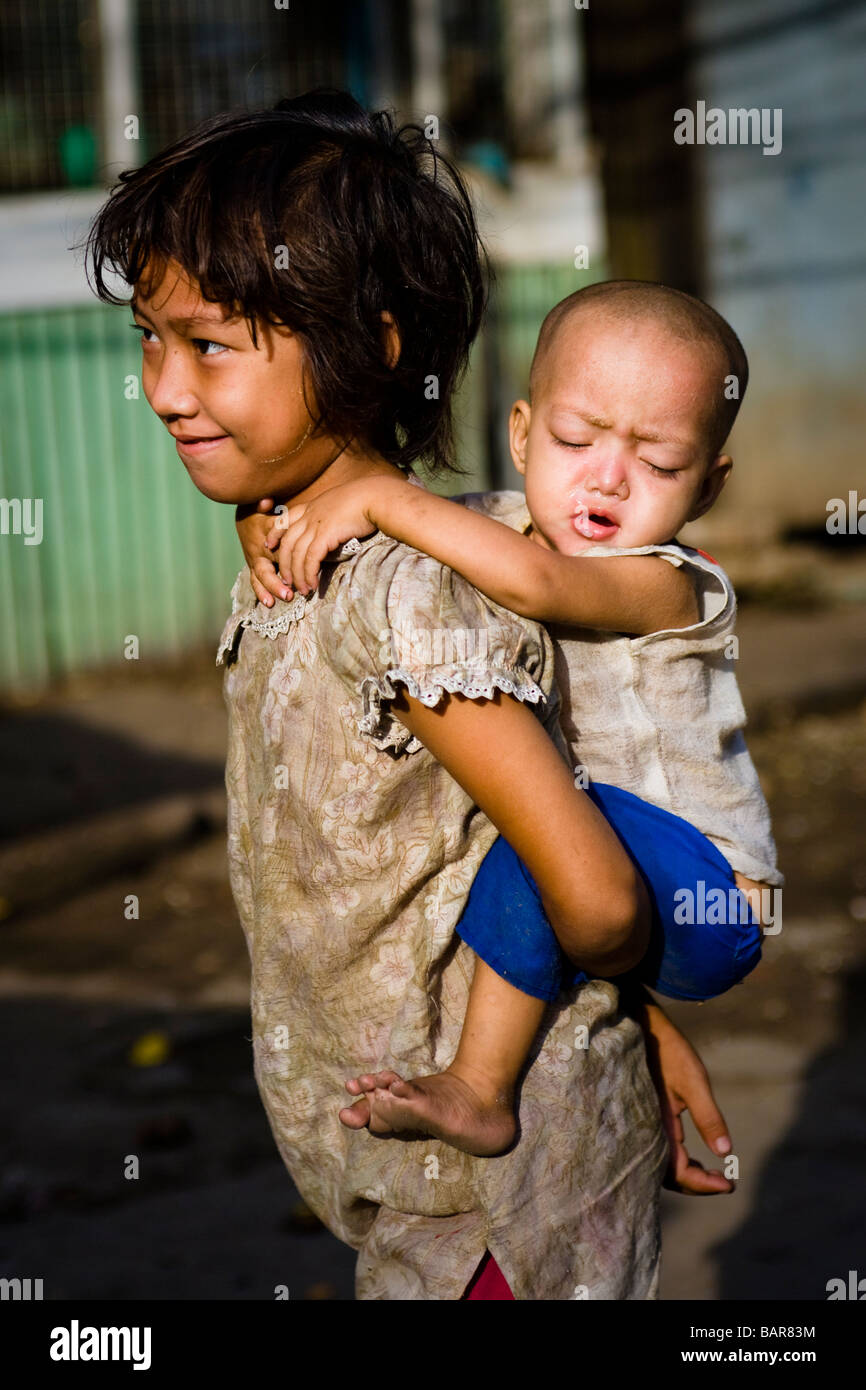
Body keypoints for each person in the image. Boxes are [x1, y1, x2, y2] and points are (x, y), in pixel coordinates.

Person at [84, 91, 735, 1302]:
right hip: (416, 1171)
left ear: (376, 344)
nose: (165, 389)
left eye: (210, 345)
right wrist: (635, 1023)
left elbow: (588, 895)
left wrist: (617, 1016)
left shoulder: (407, 599)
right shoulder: (292, 554)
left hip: (496, 1192)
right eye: (149, 340)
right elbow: (494, 844)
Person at [239, 279, 783, 1161]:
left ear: (709, 484)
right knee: (556, 835)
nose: (607, 476)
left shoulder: (672, 583)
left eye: (658, 464)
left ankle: (479, 1089)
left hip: (710, 891)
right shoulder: (499, 528)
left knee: (545, 839)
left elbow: (535, 586)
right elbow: (380, 529)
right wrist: (267, 528)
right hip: (625, 891)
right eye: (576, 440)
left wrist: (380, 500)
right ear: (523, 433)